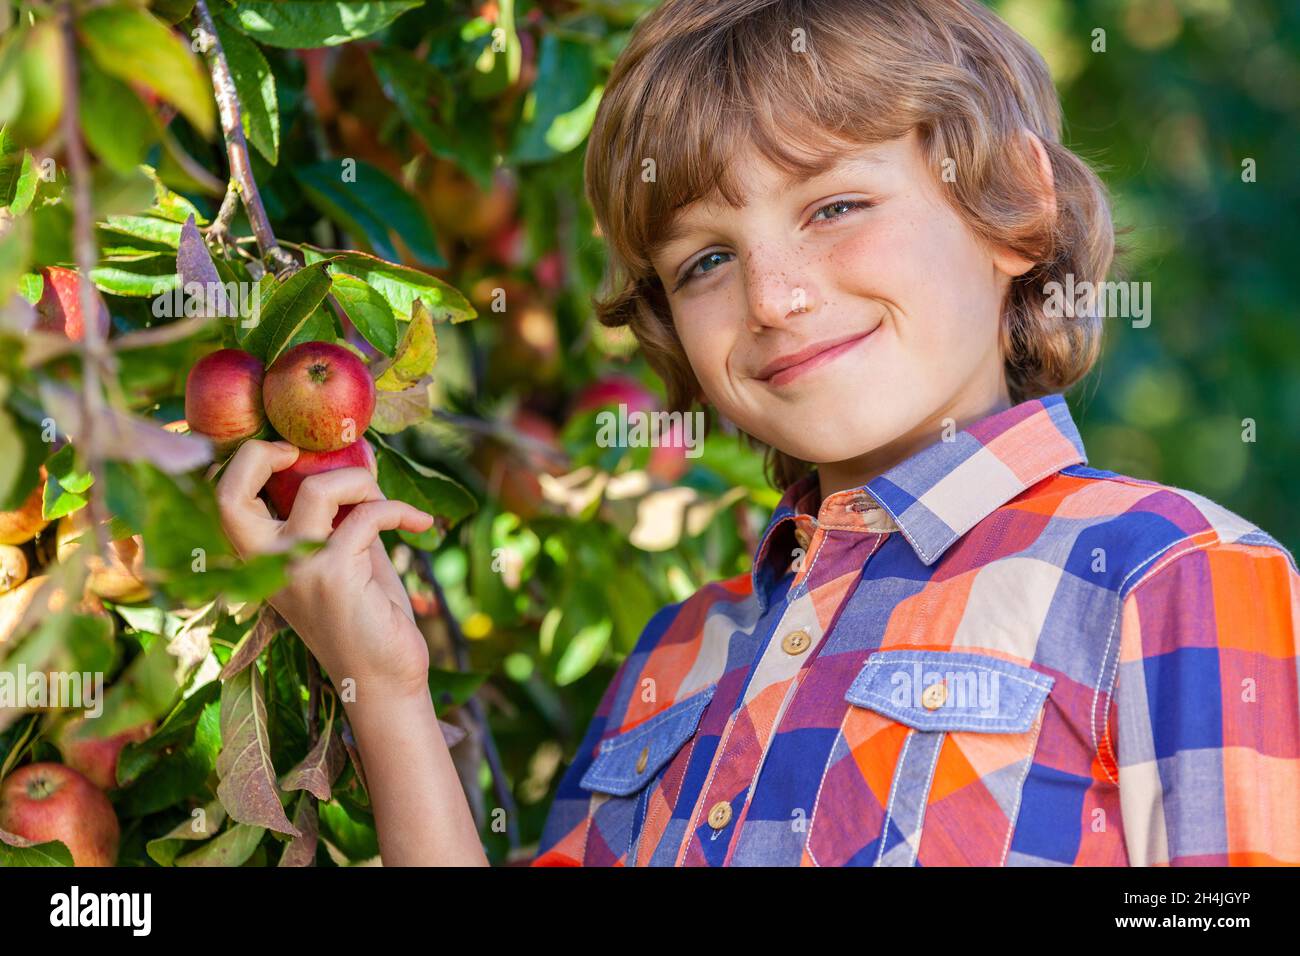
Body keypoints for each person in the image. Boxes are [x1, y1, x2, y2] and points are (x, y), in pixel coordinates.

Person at [215, 0, 1300, 866]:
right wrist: (384, 681)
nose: (773, 296)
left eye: (833, 207)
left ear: (1012, 203)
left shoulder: (1169, 575)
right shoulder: (679, 656)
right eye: (705, 260)